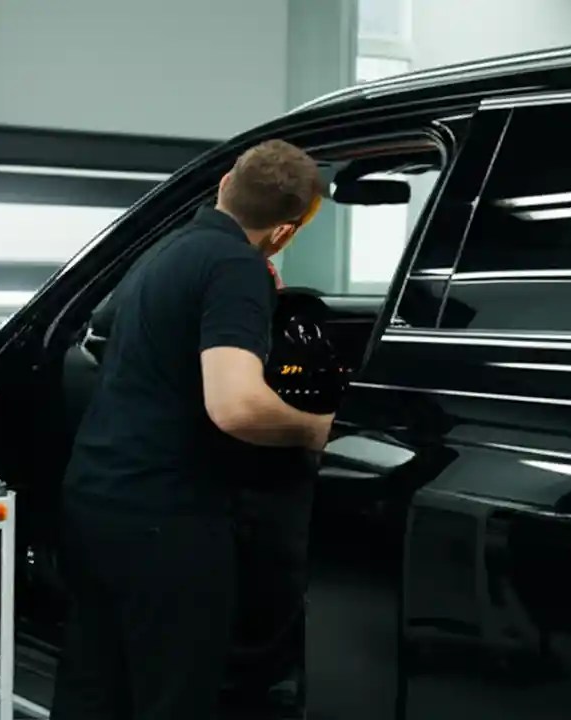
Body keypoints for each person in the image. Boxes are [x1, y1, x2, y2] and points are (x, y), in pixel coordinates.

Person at [51, 139, 334, 720]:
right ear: (285, 232)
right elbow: (237, 406)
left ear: (226, 182)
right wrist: (321, 430)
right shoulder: (235, 267)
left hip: (96, 503)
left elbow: (108, 331)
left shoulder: (167, 249)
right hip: (167, 521)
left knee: (94, 687)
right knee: (173, 696)